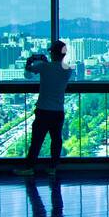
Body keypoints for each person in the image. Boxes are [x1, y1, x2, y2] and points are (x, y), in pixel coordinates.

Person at [14, 40, 72, 177]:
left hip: (43, 110)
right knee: (56, 140)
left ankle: (29, 167)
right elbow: (55, 69)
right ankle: (53, 167)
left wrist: (30, 60)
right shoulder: (68, 70)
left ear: (52, 53)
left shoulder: (43, 67)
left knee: (37, 141)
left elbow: (28, 72)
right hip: (58, 111)